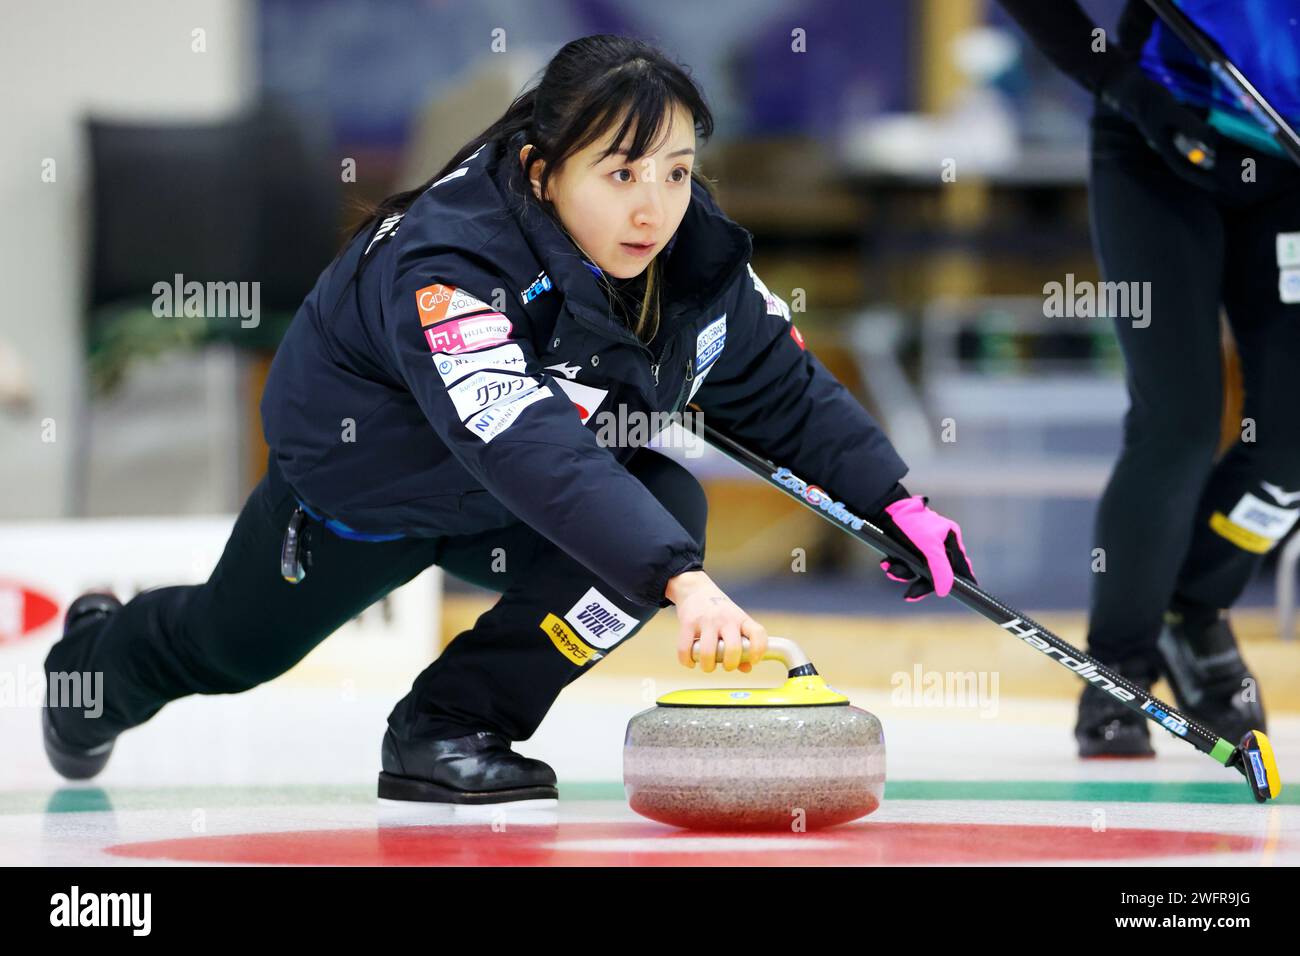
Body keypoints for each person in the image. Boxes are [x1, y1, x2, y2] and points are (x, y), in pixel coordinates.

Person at [42, 34, 973, 805]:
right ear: (541, 170)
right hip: (361, 499)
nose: (654, 207)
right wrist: (682, 583)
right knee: (230, 649)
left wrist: (894, 502)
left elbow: (777, 384)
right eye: (621, 173)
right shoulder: (449, 263)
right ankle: (91, 661)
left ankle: (449, 727)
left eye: (679, 172)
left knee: (664, 513)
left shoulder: (686, 253)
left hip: (509, 508)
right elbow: (525, 444)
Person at [997, 1, 1300, 756]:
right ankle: (1118, 669)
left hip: (1289, 171)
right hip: (1159, 144)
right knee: (1179, 421)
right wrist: (1124, 86)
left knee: (1291, 444)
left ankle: (1193, 610)